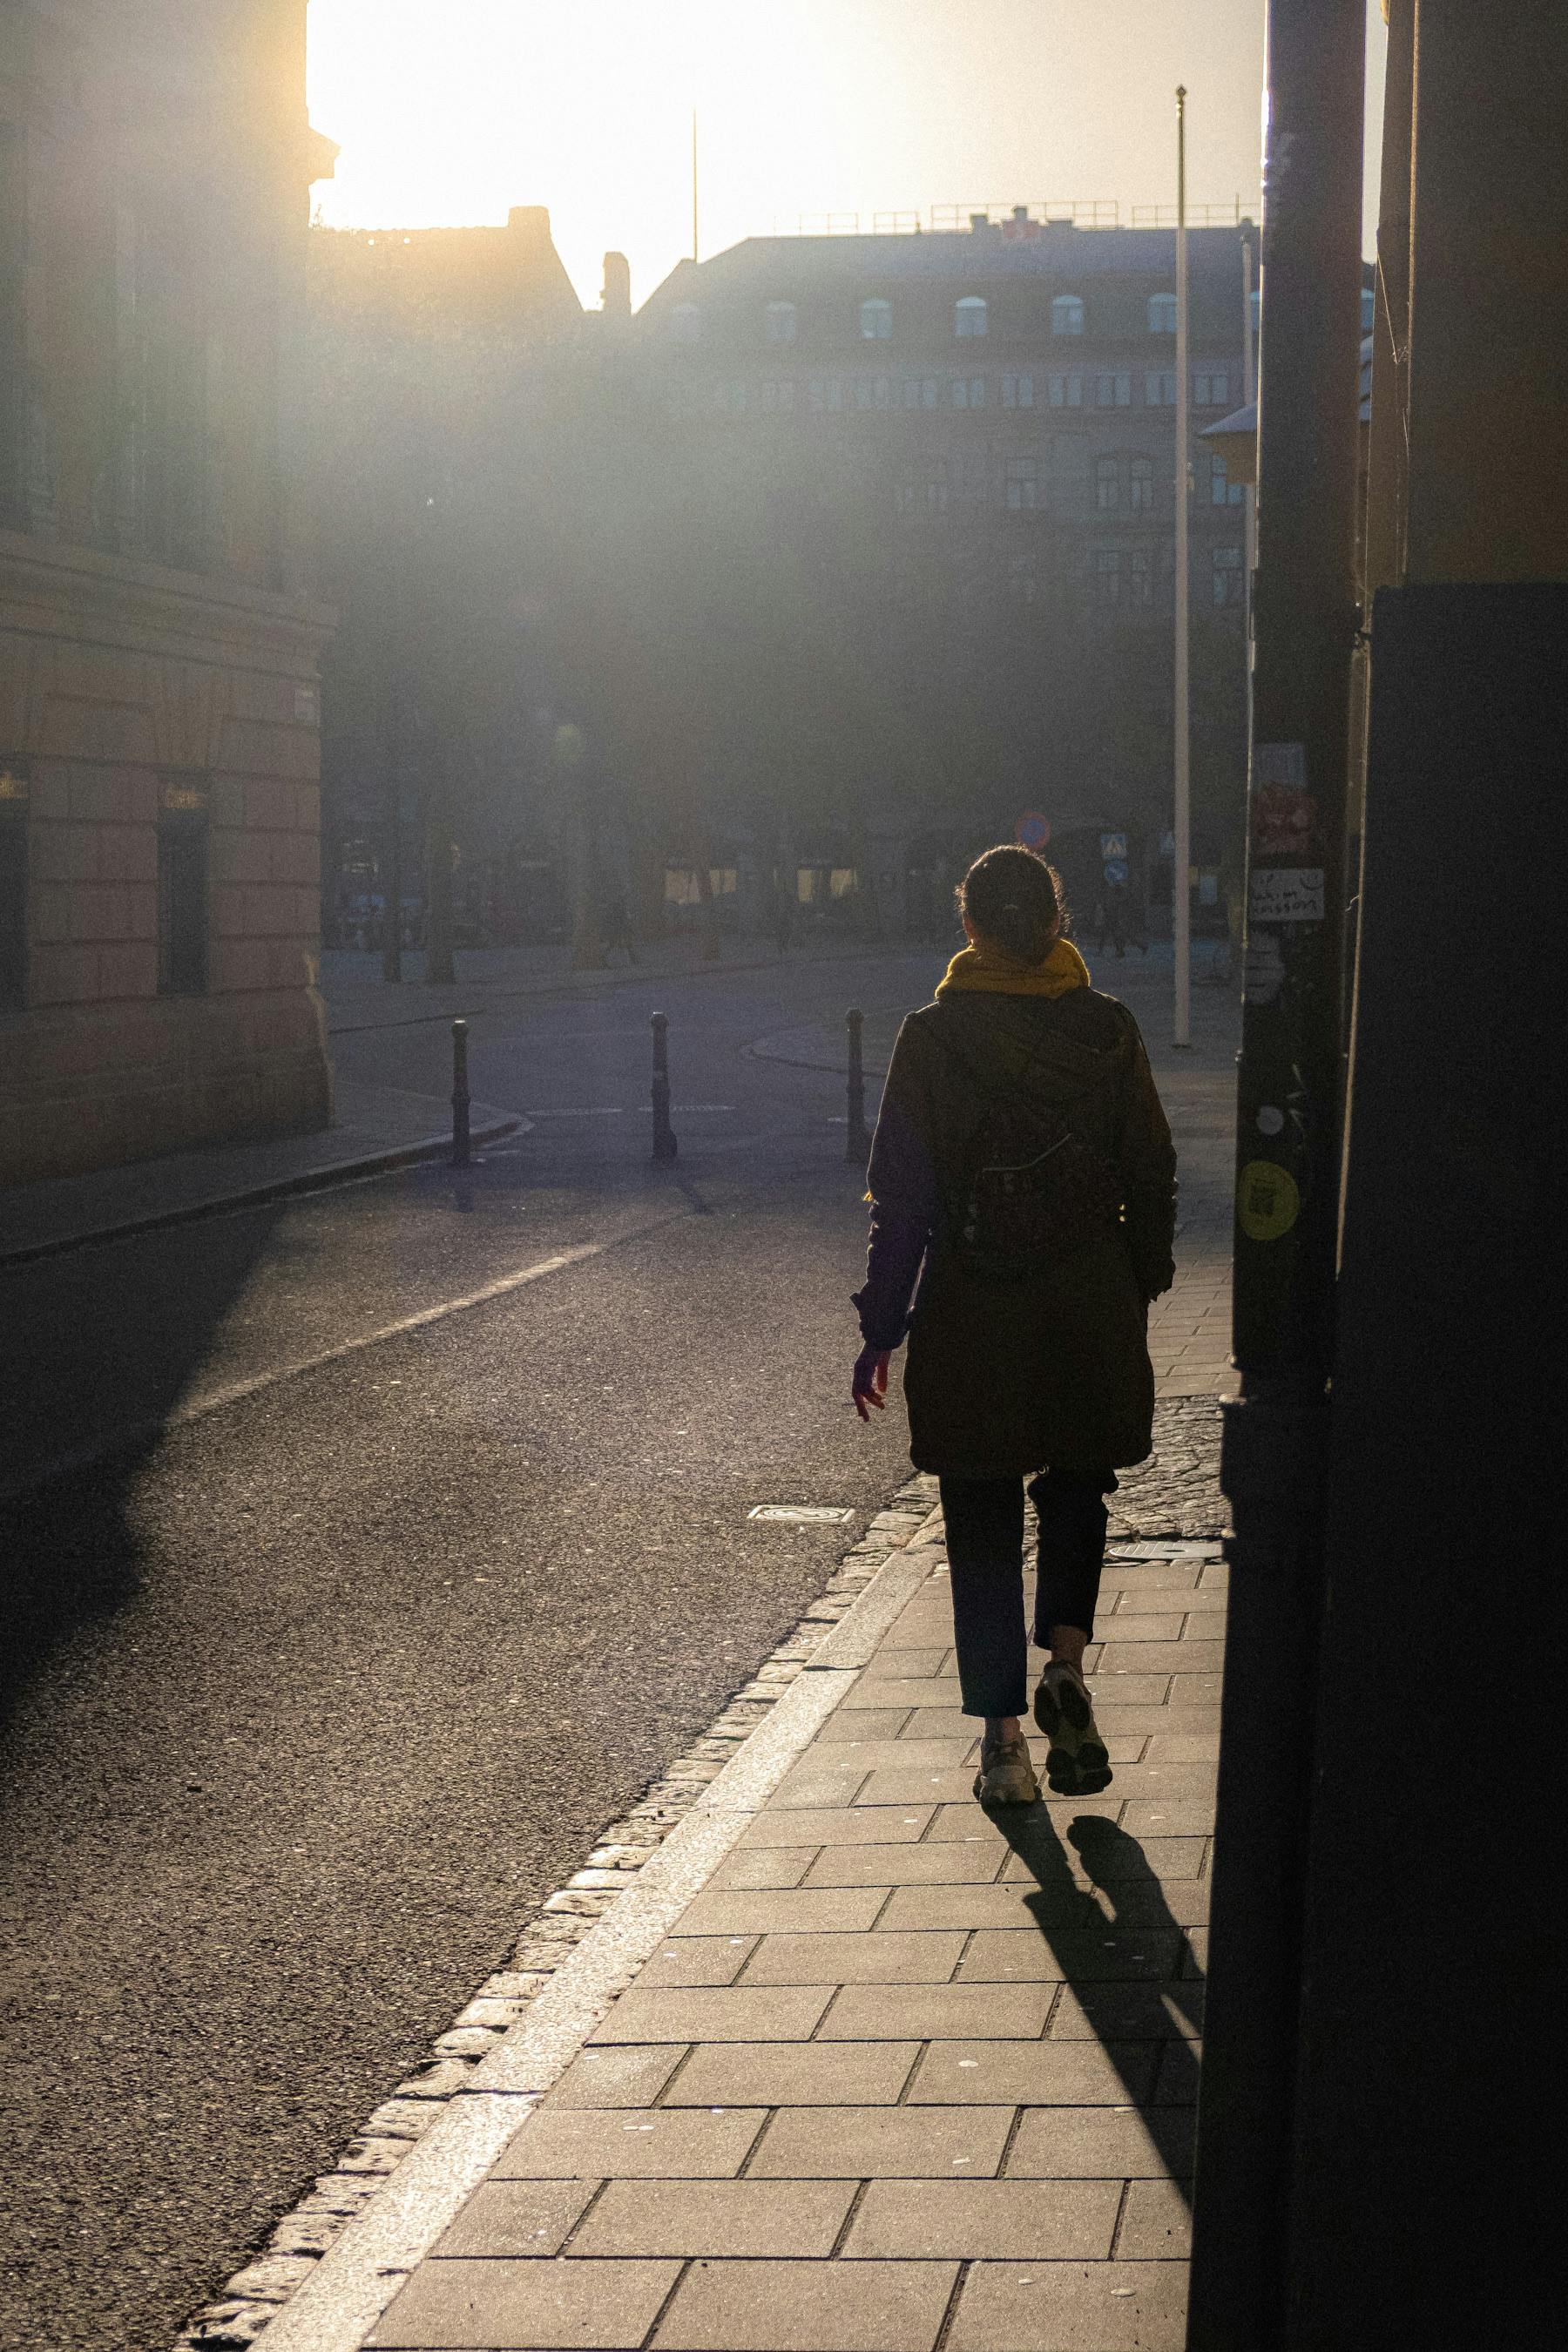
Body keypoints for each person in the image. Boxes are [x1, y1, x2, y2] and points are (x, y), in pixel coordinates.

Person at [850, 844, 1176, 1807]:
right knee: (1081, 1480)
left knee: (980, 1509)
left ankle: (1002, 1745)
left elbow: (900, 1199)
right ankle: (1066, 1666)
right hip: (1086, 1295)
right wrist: (1138, 1280)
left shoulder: (932, 1036)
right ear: (1058, 923)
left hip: (972, 1303)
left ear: (970, 927)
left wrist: (882, 1326)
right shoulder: (1108, 1030)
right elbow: (1151, 1169)